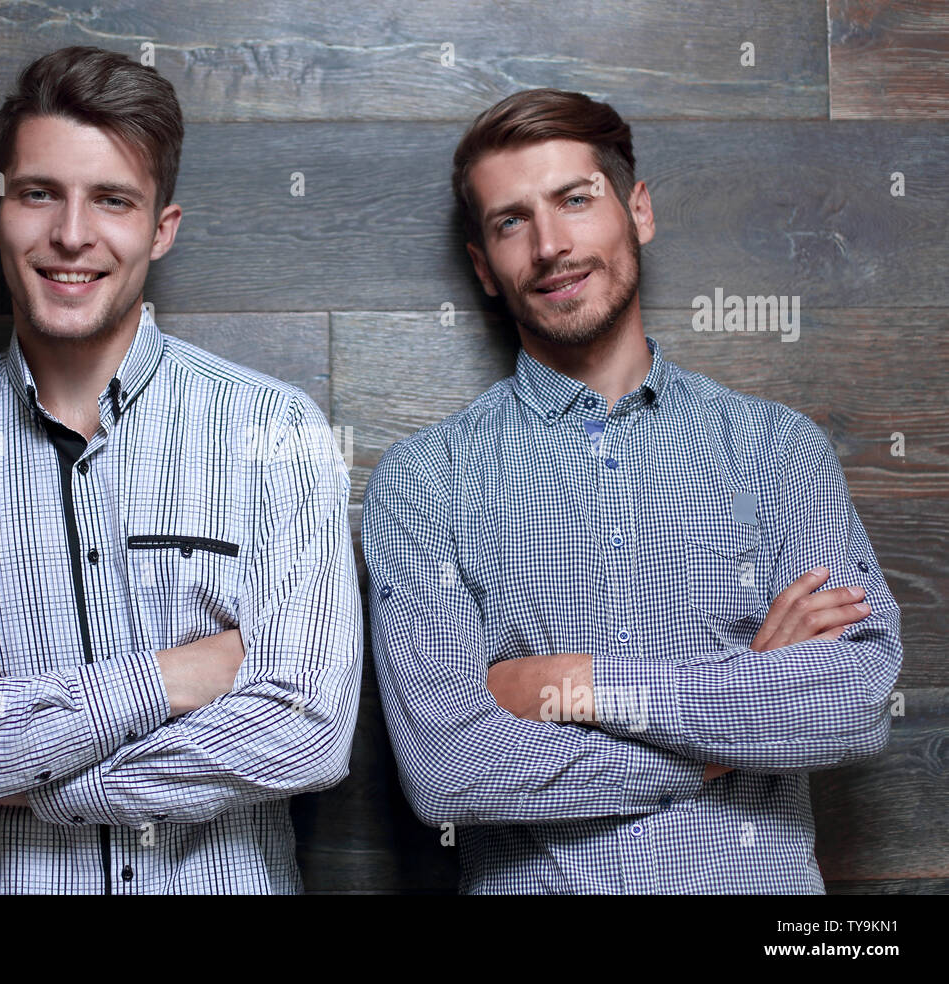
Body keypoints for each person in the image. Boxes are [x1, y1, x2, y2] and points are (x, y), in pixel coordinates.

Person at [0, 46, 361, 895]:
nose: (72, 234)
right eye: (41, 193)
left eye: (112, 200)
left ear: (161, 227)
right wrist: (169, 679)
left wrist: (13, 771)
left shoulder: (277, 431)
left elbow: (308, 729)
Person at [362, 88, 902, 894]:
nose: (550, 245)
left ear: (637, 212)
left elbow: (855, 700)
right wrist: (738, 717)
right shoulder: (422, 483)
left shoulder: (778, 451)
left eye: (576, 200)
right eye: (512, 221)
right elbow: (453, 770)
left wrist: (577, 684)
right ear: (483, 265)